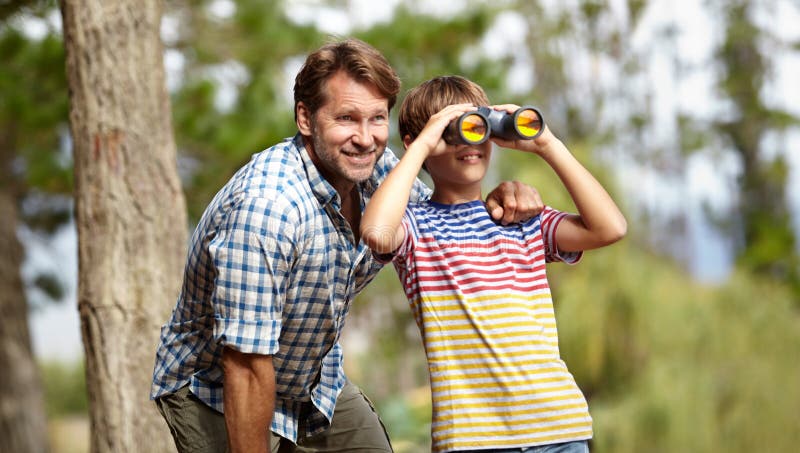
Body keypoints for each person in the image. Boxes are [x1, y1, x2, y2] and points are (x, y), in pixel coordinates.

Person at [150, 39, 546, 453]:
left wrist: (502, 201)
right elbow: (246, 366)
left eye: (377, 118)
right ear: (305, 117)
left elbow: (441, 221)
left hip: (312, 379)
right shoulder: (268, 210)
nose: (365, 138)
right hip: (216, 386)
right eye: (346, 118)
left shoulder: (379, 173)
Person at [360, 75, 627, 453]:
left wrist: (547, 144)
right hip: (474, 438)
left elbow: (610, 227)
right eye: (457, 130)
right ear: (419, 142)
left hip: (559, 427)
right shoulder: (416, 228)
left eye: (479, 126)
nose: (472, 141)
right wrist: (421, 146)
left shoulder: (523, 220)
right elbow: (376, 232)